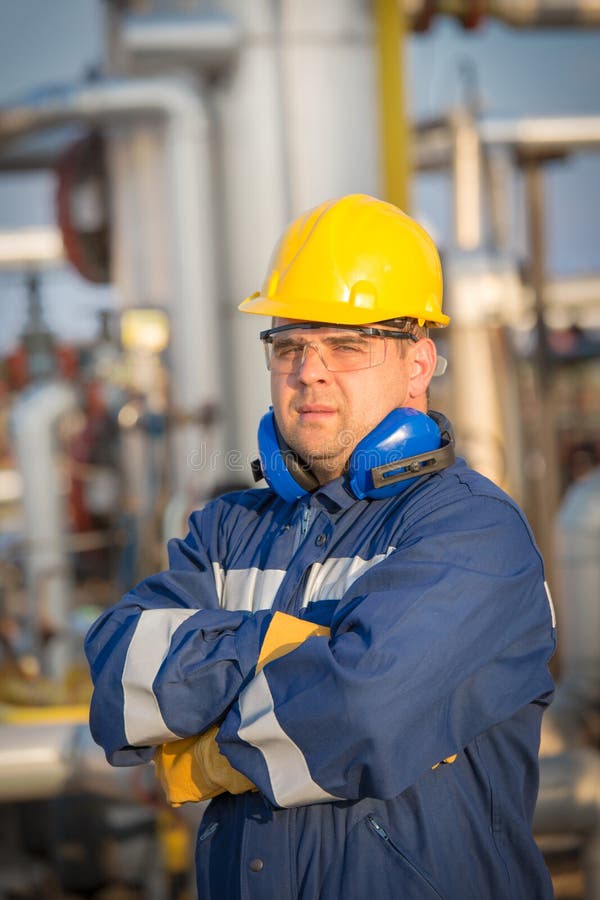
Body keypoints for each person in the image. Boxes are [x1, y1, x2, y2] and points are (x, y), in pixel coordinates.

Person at [85, 194, 556, 899]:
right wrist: (289, 649)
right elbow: (119, 681)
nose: (310, 371)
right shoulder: (226, 528)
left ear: (418, 364)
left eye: (347, 345)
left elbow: (358, 718)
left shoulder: (471, 533)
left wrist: (202, 744)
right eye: (289, 346)